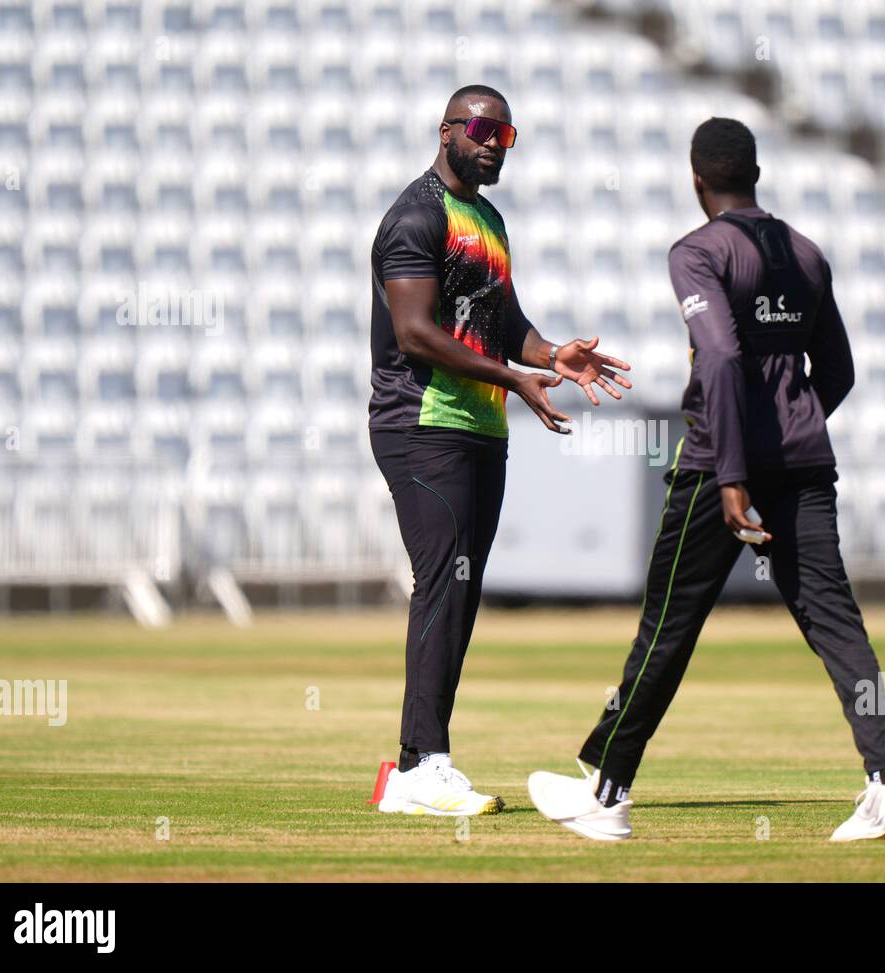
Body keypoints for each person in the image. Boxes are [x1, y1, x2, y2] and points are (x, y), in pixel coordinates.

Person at [527, 117, 885, 841]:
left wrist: (738, 471)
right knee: (838, 625)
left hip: (718, 469)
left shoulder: (697, 252)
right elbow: (837, 371)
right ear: (757, 175)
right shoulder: (805, 253)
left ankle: (608, 798)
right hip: (803, 465)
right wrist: (788, 425)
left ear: (696, 178)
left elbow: (717, 359)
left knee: (666, 629)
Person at [370, 85, 631, 816]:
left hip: (478, 425)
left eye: (505, 134)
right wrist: (514, 379)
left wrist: (553, 355)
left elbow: (503, 322)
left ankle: (416, 766)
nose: (492, 142)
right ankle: (424, 767)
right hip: (420, 422)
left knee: (461, 591)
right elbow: (416, 331)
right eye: (481, 128)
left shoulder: (486, 217)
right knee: (441, 587)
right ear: (447, 129)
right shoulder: (414, 216)